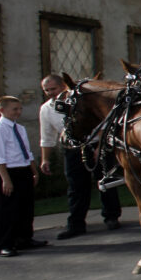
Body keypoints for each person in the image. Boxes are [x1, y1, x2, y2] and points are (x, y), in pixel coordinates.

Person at [39, 74, 121, 238]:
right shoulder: (47, 109)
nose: (50, 93)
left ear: (63, 86)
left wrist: (100, 146)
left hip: (95, 145)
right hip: (73, 149)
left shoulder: (82, 100)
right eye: (46, 90)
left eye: (53, 89)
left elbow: (102, 123)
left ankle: (111, 216)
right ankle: (76, 223)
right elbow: (47, 136)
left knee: (105, 181)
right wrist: (45, 158)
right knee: (76, 187)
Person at [0, 95, 41, 257]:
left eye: (20, 109)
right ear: (2, 110)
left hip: (23, 170)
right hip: (9, 172)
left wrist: (34, 171)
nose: (18, 112)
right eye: (14, 109)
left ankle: (23, 239)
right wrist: (6, 179)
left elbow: (27, 152)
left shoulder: (20, 128)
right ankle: (4, 244)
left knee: (25, 207)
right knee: (7, 210)